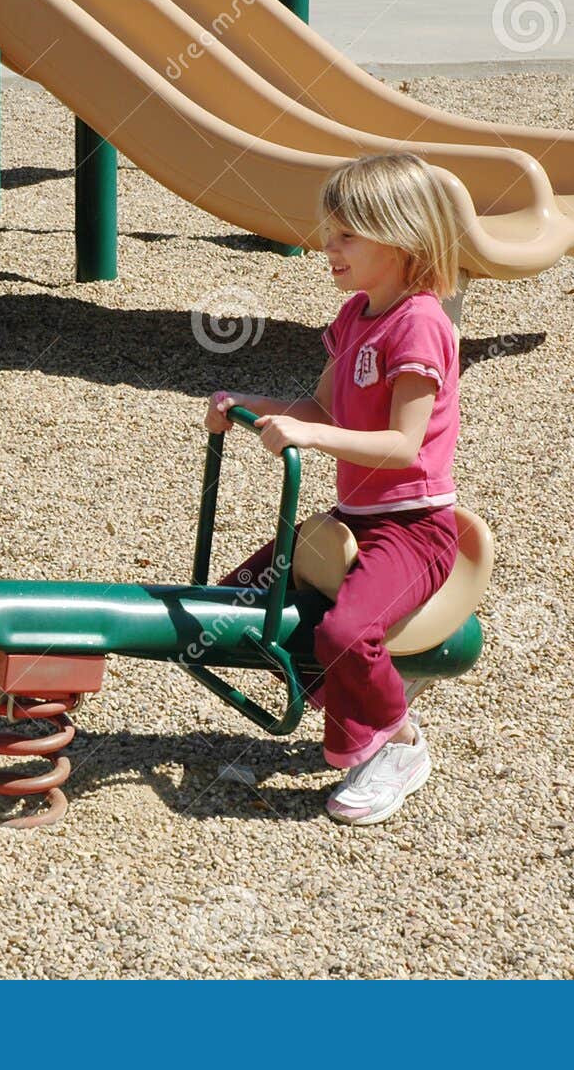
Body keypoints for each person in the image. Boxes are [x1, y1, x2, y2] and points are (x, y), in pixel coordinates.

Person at [206, 152, 462, 826]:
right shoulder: (357, 317)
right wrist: (246, 404)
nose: (329, 247)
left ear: (401, 238)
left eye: (347, 235)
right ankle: (355, 705)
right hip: (354, 517)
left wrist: (311, 440)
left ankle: (398, 740)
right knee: (241, 595)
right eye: (329, 231)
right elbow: (317, 410)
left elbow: (404, 446)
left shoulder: (421, 324)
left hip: (415, 527)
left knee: (347, 628)